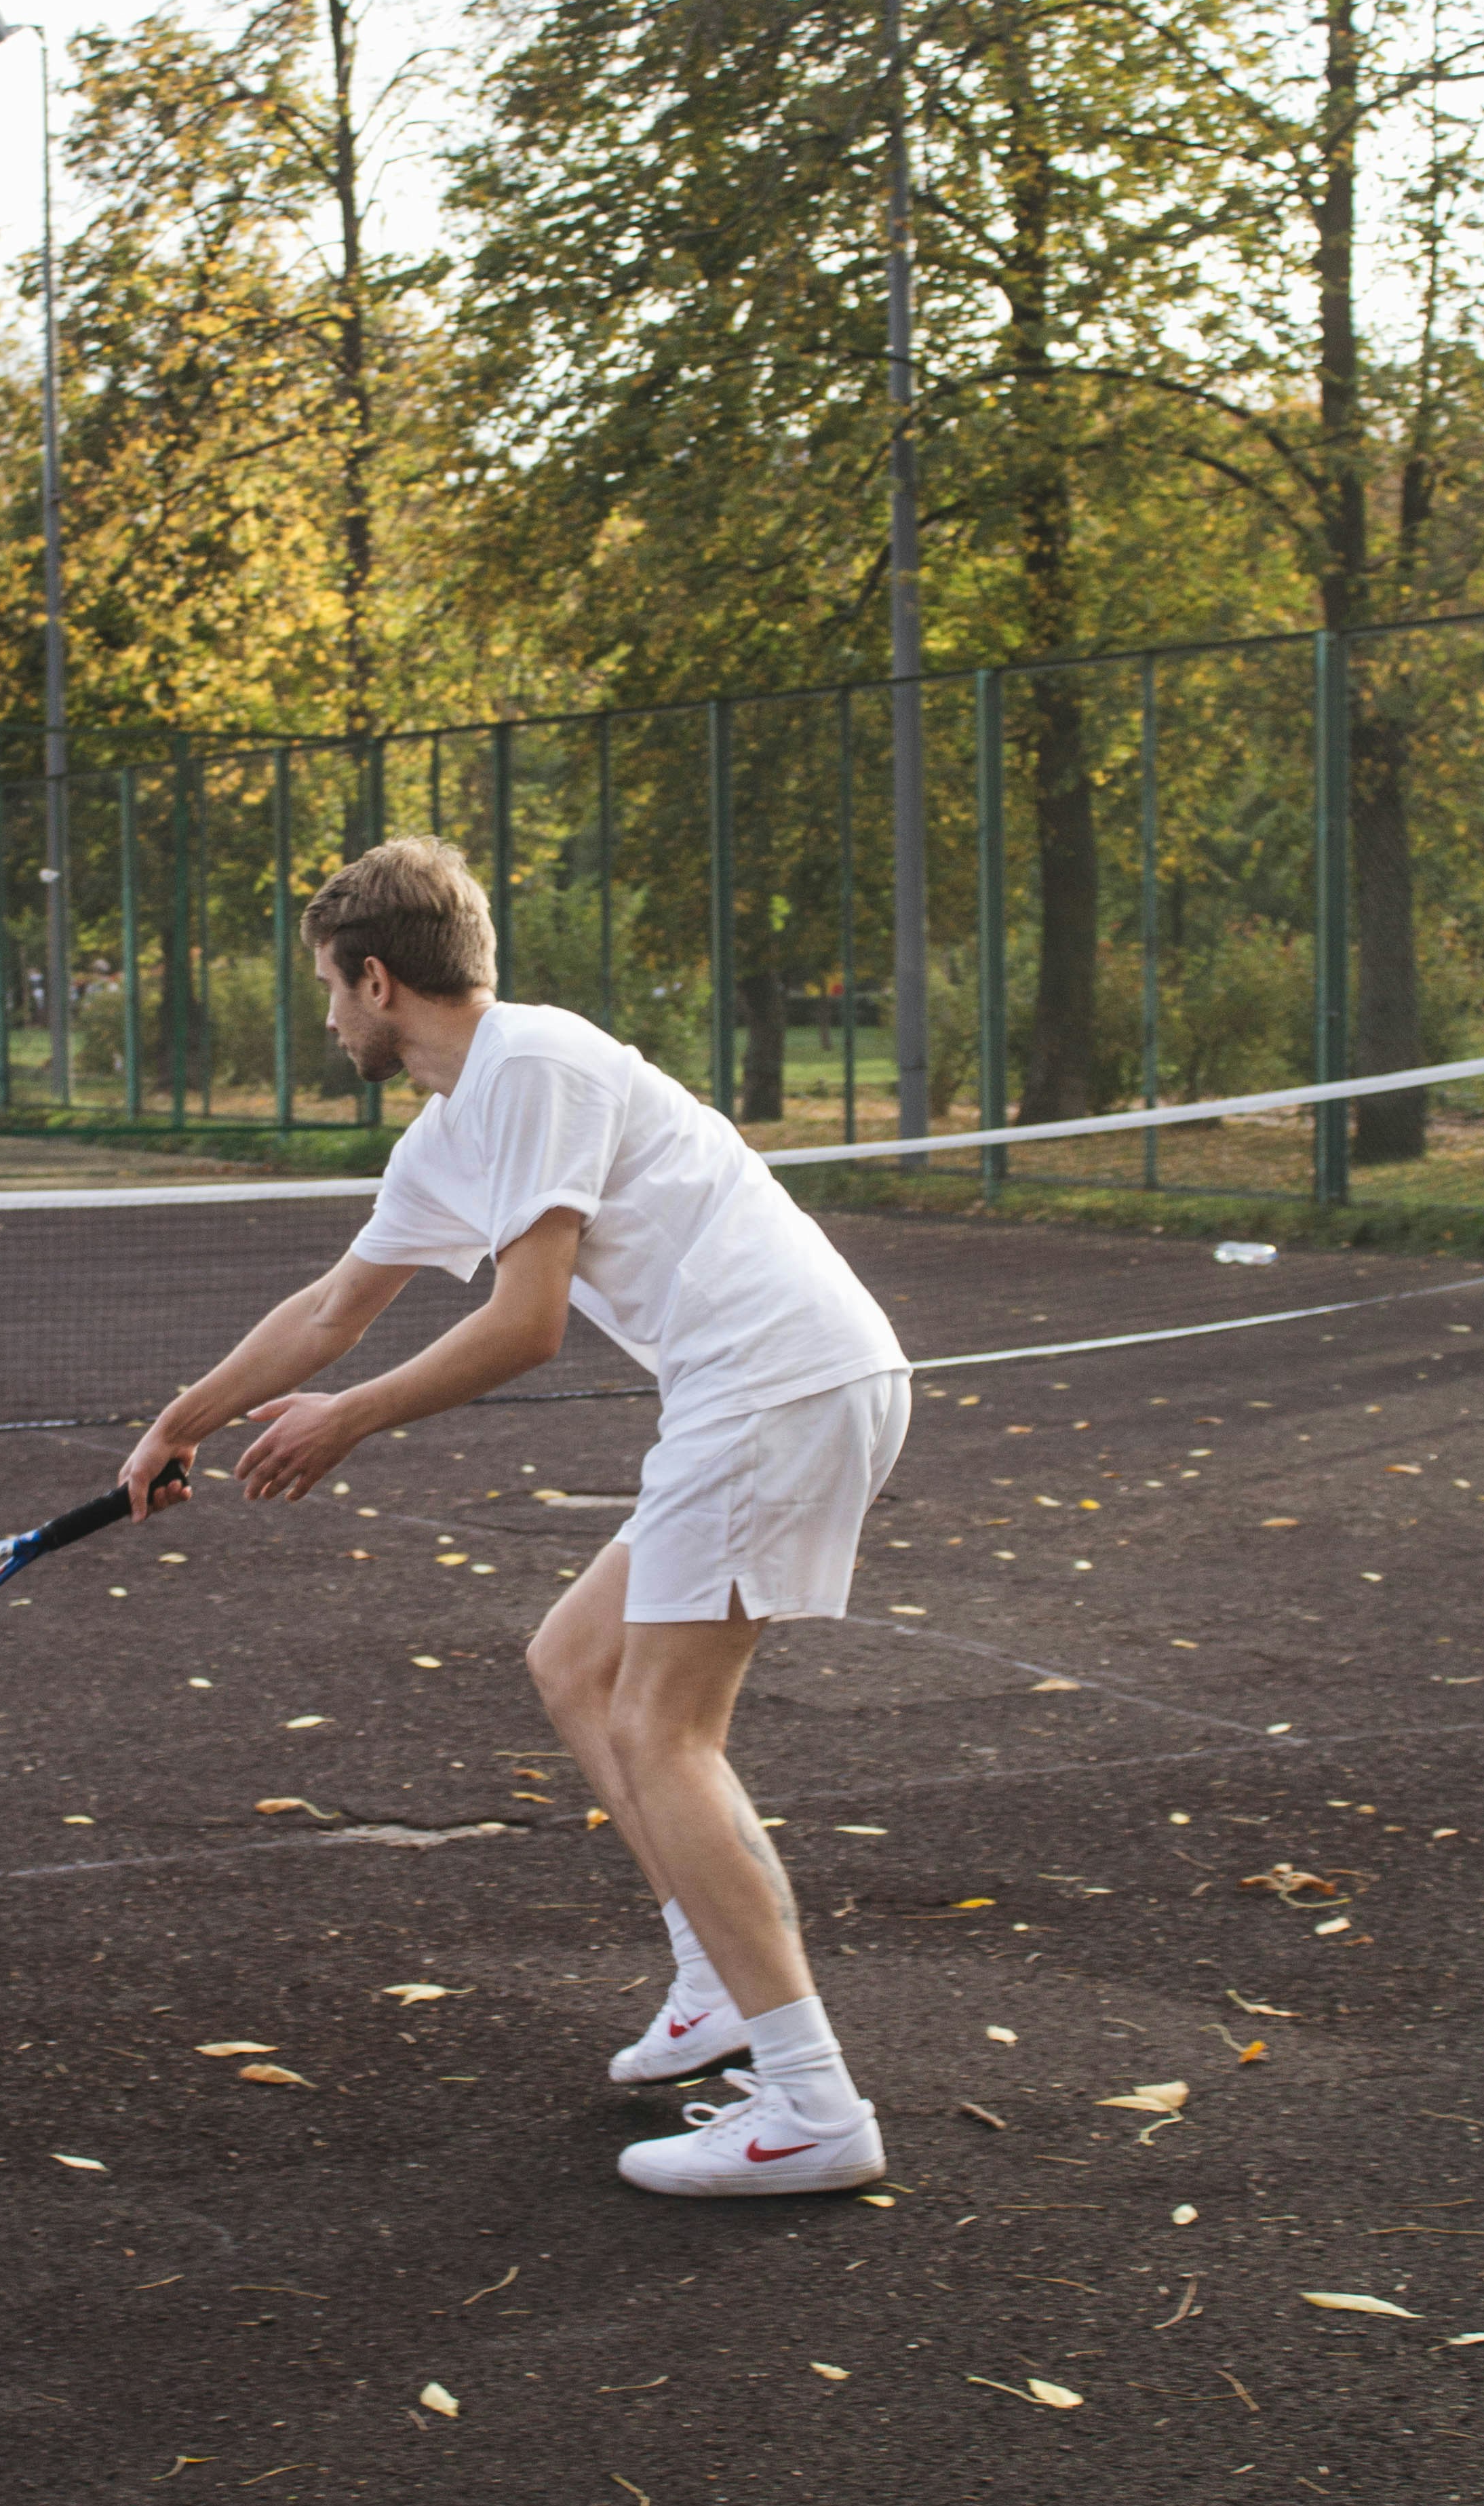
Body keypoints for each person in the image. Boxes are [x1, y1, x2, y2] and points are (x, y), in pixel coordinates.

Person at [123, 838, 910, 2201]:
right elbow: (332, 1309)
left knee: (664, 1729)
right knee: (575, 1665)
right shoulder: (451, 1129)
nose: (324, 1021)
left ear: (380, 979)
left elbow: (528, 1323)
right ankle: (716, 1985)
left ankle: (810, 2102)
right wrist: (183, 1419)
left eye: (329, 988)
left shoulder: (532, 1062)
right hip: (767, 1386)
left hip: (776, 1383)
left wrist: (348, 1421)